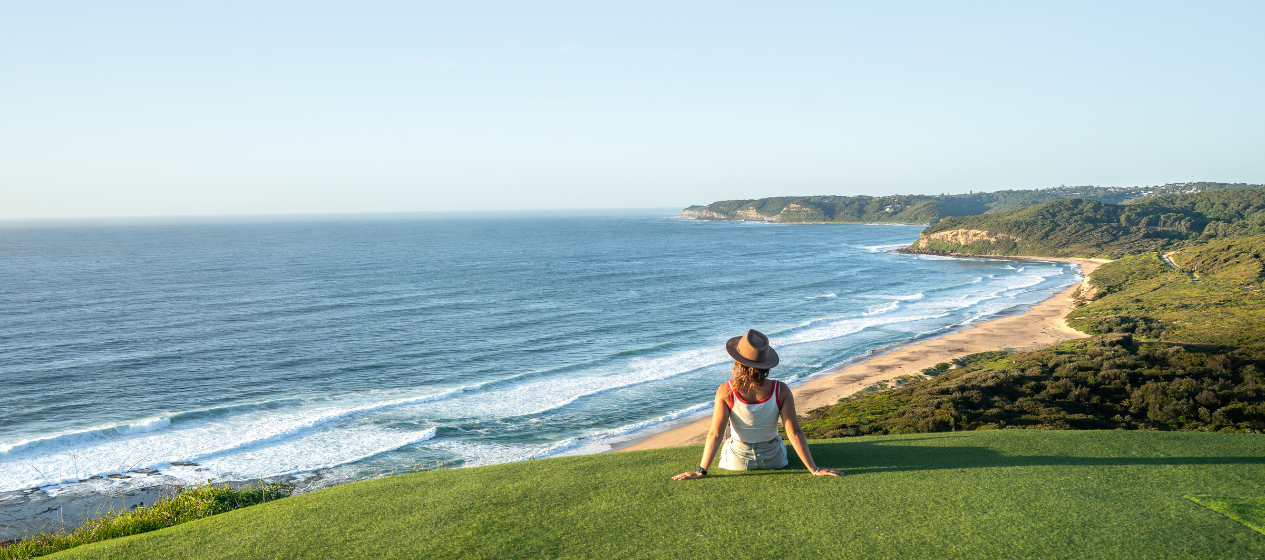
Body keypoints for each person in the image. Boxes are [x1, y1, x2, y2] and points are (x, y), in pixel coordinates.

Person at [673, 329, 842, 480]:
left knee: (727, 436)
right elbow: (794, 431)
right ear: (766, 364)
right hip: (774, 460)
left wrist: (701, 470)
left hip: (737, 462)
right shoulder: (780, 389)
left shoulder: (726, 390)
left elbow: (715, 434)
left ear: (738, 362)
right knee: (779, 440)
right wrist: (814, 469)